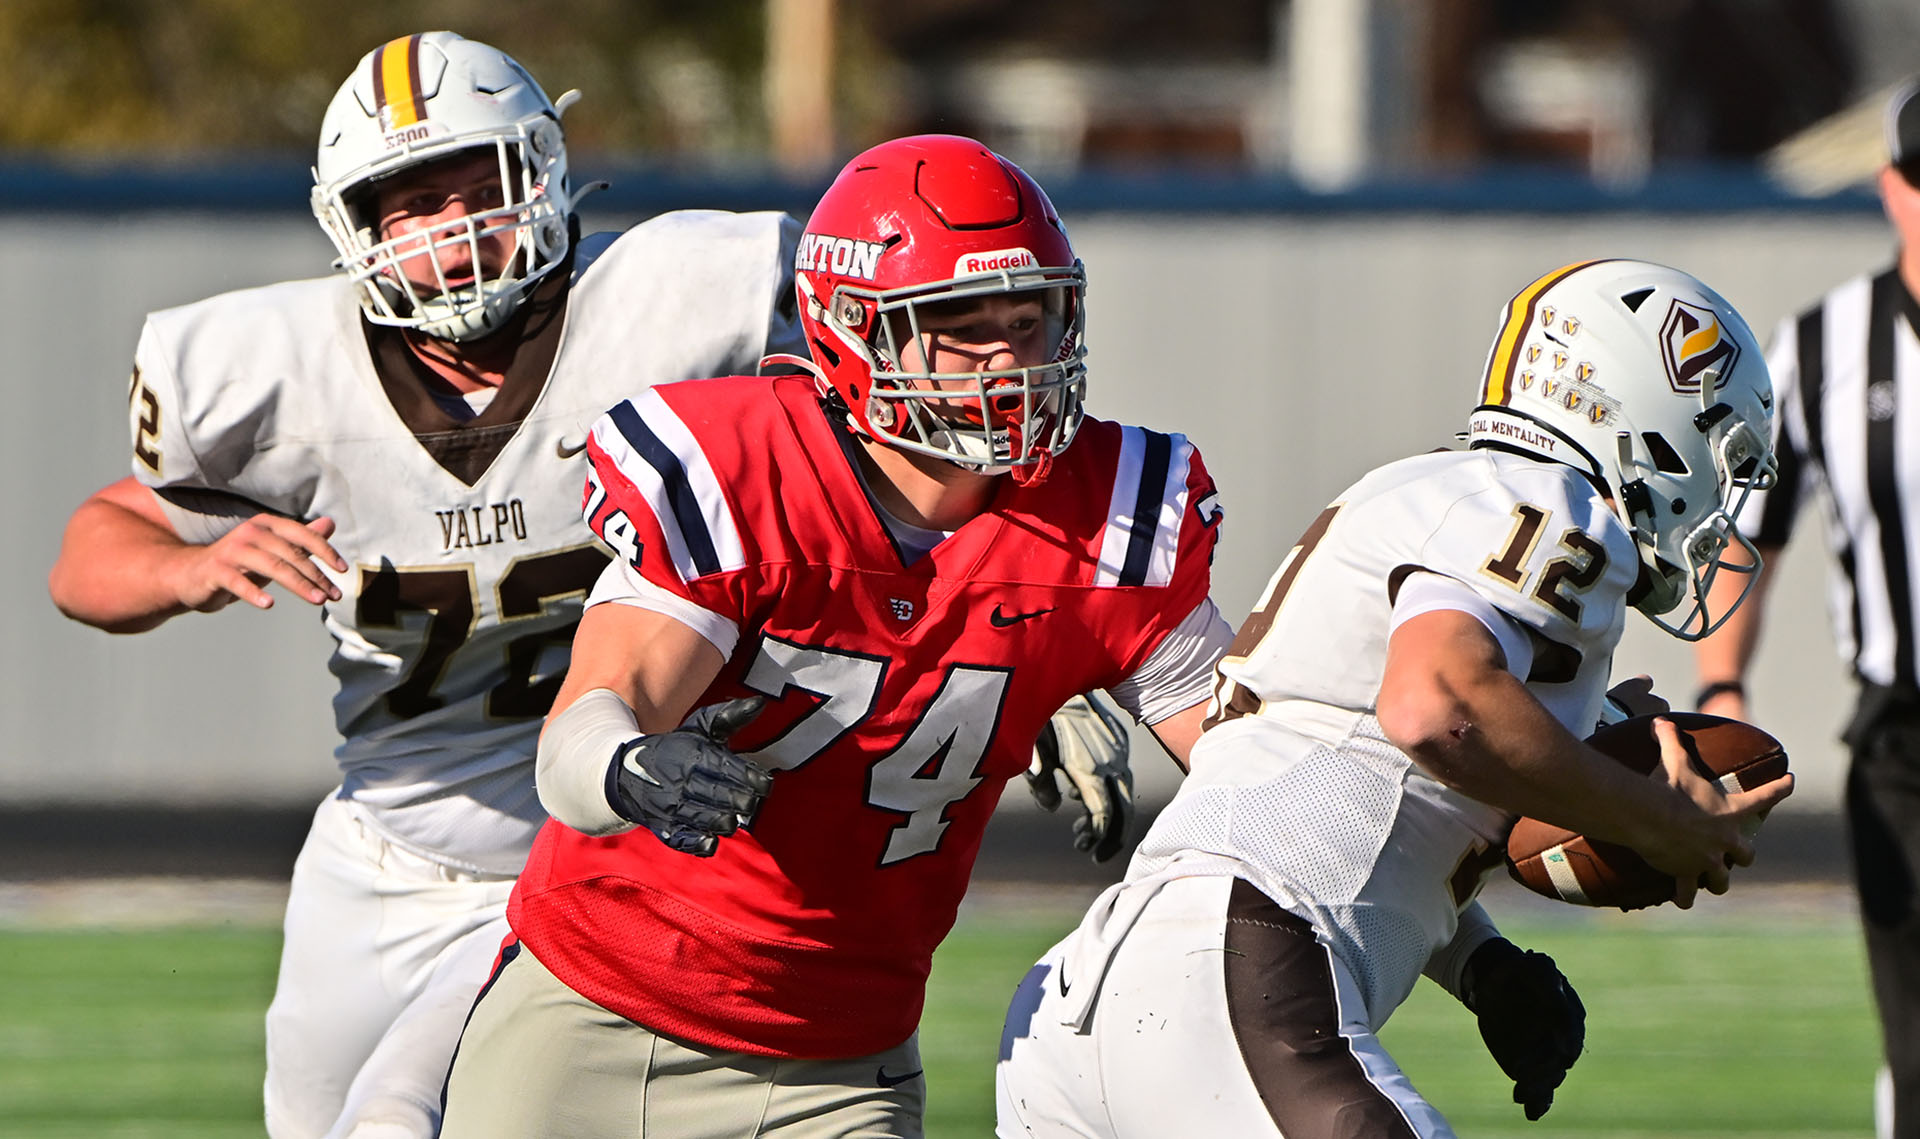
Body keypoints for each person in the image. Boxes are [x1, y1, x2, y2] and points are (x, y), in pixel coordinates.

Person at [45, 30, 807, 1139]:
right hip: (380, 850)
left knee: (400, 1119)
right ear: (351, 226)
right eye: (407, 208)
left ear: (540, 171)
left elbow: (881, 467)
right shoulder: (277, 375)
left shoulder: (678, 305)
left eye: (471, 190)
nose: (448, 235)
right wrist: (190, 564)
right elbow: (89, 548)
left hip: (596, 840)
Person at [435, 133, 1231, 1139]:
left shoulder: (1103, 517)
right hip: (594, 1022)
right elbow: (585, 728)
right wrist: (631, 768)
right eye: (959, 327)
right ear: (854, 332)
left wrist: (1463, 948)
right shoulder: (747, 470)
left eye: (1028, 320)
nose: (1009, 360)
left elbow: (1278, 775)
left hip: (841, 1067)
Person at [996, 258, 1798, 1138]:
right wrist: (1652, 816)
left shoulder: (1448, 497)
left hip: (1102, 1002)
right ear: (1634, 412)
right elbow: (1432, 709)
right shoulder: (1549, 502)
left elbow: (1343, 800)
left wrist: (1484, 966)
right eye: (1719, 455)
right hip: (1224, 981)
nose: (1719, 503)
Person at [1693, 78, 1920, 1139]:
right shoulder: (1828, 345)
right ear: (1891, 189)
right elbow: (1751, 530)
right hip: (1903, 734)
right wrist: (1723, 688)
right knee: (1917, 1037)